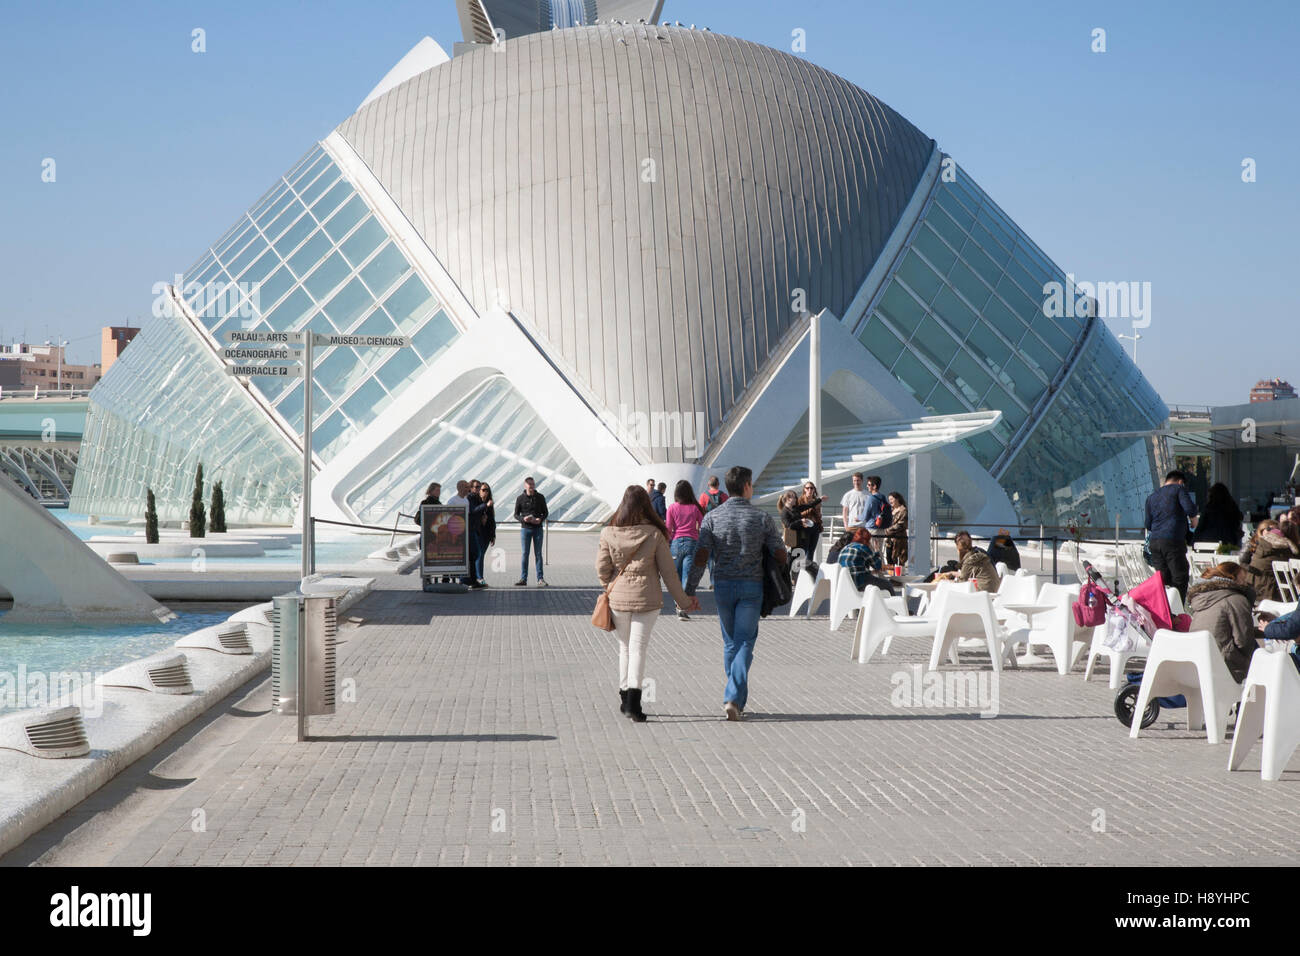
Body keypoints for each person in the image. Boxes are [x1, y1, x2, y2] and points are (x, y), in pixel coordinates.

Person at [686, 466, 787, 721]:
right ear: (747, 486)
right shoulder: (761, 518)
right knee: (744, 641)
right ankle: (732, 697)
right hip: (751, 586)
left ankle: (737, 700)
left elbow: (700, 556)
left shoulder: (712, 518)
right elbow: (780, 553)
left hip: (722, 585)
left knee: (731, 642)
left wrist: (689, 590)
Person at [596, 486, 699, 721]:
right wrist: (684, 602)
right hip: (647, 599)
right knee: (638, 648)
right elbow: (669, 574)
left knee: (624, 647)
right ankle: (634, 704)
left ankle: (624, 698)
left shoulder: (608, 533)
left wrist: (609, 586)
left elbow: (601, 568)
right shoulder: (655, 534)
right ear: (646, 505)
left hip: (618, 599)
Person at [1186, 562, 1260, 683]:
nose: (1246, 584)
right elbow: (1244, 642)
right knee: (1265, 660)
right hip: (1225, 669)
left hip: (1198, 664)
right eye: (1243, 580)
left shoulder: (1203, 597)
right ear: (1232, 578)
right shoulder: (1236, 599)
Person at [1145, 469, 1199, 602]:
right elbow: (1190, 508)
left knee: (1163, 579)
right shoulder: (1178, 489)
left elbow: (1148, 524)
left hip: (1155, 542)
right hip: (1172, 540)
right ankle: (1177, 609)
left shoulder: (1152, 497)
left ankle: (1164, 608)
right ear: (1180, 482)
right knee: (1179, 576)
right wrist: (1194, 519)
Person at [665, 480, 704, 619]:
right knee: (686, 577)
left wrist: (665, 544)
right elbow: (703, 525)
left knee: (676, 577)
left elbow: (668, 528)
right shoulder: (695, 508)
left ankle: (679, 605)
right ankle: (682, 607)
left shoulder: (671, 508)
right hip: (692, 543)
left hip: (676, 544)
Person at [1240, 518, 1298, 604]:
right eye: (1268, 529)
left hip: (1254, 586)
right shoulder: (1285, 547)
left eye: (1275, 529)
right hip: (1267, 590)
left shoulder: (1263, 544)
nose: (1271, 531)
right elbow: (1242, 560)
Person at [514, 476, 549, 586]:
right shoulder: (520, 498)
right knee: (525, 554)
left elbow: (546, 513)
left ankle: (540, 579)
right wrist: (523, 519)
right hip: (525, 529)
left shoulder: (540, 497)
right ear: (525, 485)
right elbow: (516, 514)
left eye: (533, 484)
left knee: (538, 554)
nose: (532, 486)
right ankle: (523, 579)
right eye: (529, 484)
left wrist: (540, 519)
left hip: (538, 529)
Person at [1193, 482, 1244, 550]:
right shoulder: (1231, 507)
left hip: (1208, 543)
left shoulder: (1209, 508)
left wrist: (1193, 542)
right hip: (1228, 543)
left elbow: (1200, 527)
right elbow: (1238, 520)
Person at [837, 526, 886, 591]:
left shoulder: (845, 548)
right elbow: (878, 566)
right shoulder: (863, 548)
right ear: (867, 540)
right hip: (859, 582)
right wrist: (876, 550)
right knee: (887, 585)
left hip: (844, 583)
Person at [874, 491, 909, 568]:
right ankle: (891, 573)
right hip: (889, 540)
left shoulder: (903, 510)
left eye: (892, 499)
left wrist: (887, 530)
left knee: (898, 560)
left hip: (899, 540)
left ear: (897, 499)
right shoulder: (890, 510)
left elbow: (902, 524)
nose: (890, 501)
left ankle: (898, 574)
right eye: (889, 499)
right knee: (889, 558)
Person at [474, 482, 497, 587]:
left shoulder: (490, 503)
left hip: (487, 533)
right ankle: (479, 578)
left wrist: (493, 535)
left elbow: (492, 520)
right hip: (478, 531)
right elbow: (474, 514)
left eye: (487, 490)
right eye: (483, 490)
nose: (485, 492)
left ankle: (479, 577)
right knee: (479, 554)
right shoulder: (476, 502)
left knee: (481, 555)